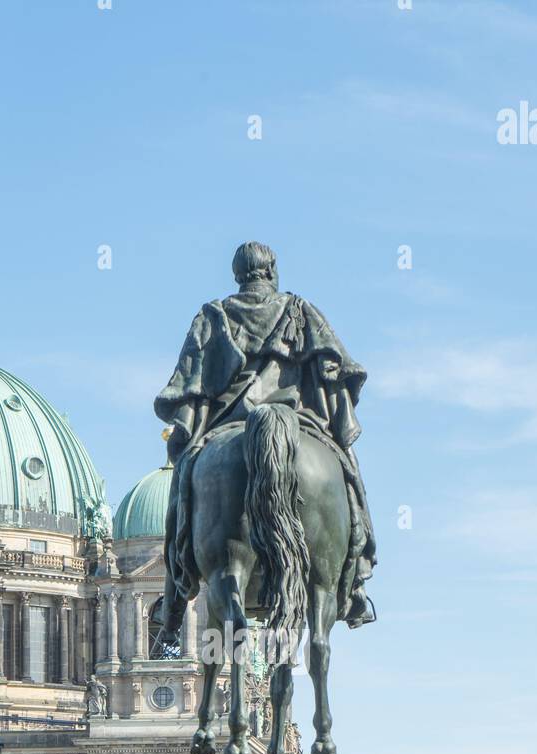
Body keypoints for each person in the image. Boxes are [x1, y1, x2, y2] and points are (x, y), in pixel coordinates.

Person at [154, 241, 376, 628]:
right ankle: (355, 585)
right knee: (351, 479)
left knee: (182, 483)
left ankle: (176, 590)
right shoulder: (301, 312)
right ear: (272, 272)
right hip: (298, 421)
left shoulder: (212, 317)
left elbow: (188, 387)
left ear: (238, 275)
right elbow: (339, 372)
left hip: (228, 424)